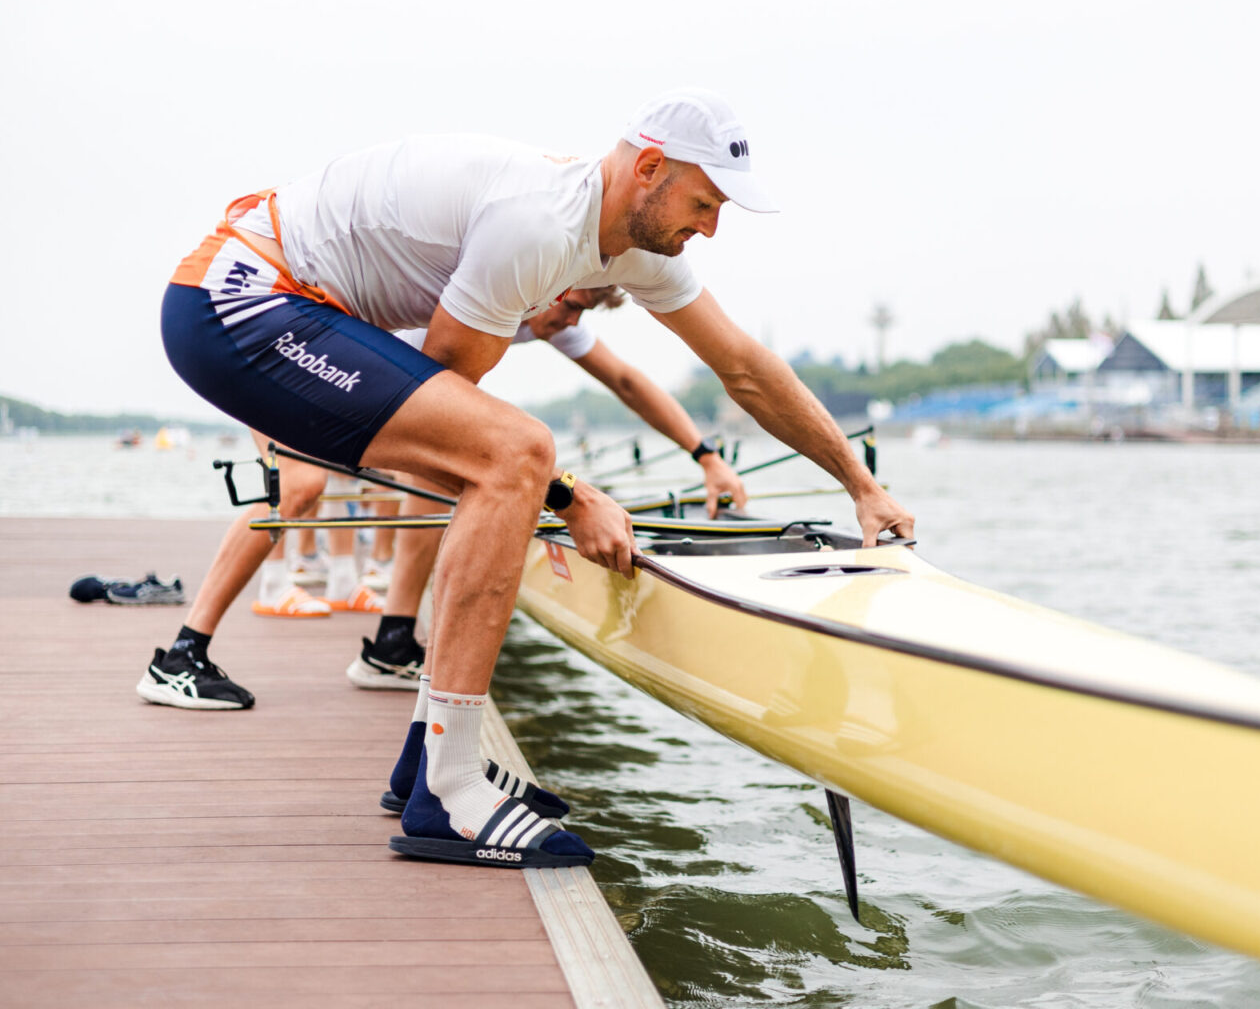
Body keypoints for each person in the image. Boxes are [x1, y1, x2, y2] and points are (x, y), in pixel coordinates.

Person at [148, 88, 914, 869]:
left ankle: (428, 758)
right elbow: (456, 410)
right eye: (704, 203)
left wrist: (860, 484)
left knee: (508, 461)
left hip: (294, 308)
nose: (711, 228)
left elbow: (745, 368)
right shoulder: (540, 224)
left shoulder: (634, 245)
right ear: (648, 168)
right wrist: (572, 495)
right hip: (237, 300)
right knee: (514, 454)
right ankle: (447, 794)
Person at [348, 285, 749, 691]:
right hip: (349, 371)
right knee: (469, 459)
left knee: (460, 465)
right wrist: (566, 495)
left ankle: (393, 642)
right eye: (574, 307)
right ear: (551, 290)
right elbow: (437, 408)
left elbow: (626, 381)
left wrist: (706, 456)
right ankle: (402, 643)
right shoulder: (493, 292)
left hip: (397, 381)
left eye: (583, 312)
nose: (572, 322)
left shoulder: (553, 308)